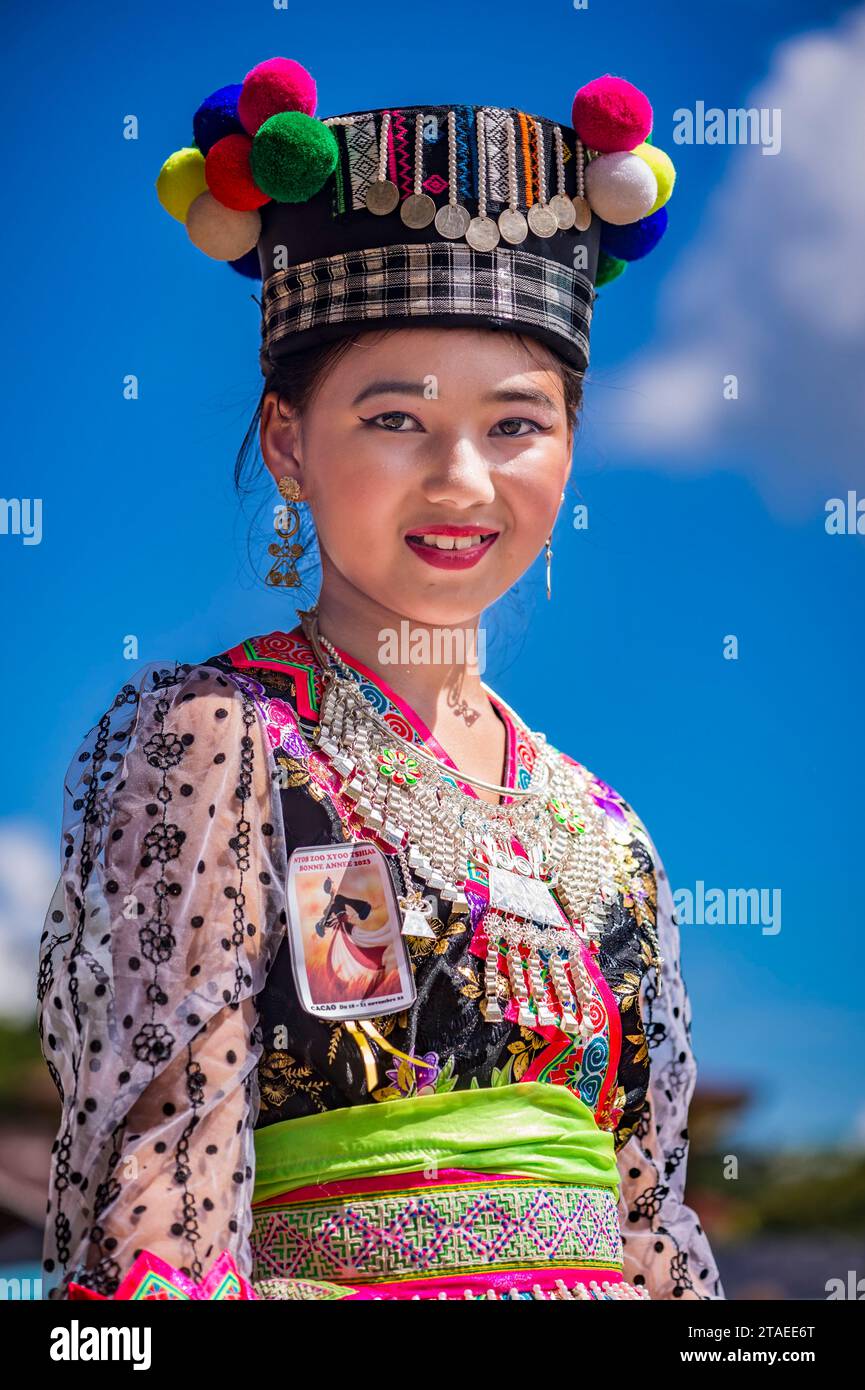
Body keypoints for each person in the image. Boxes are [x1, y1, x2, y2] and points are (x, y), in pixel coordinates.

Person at [36, 55, 723, 1301]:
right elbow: (164, 1190)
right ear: (290, 442)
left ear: (569, 448)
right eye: (395, 418)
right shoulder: (214, 744)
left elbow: (649, 1218)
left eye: (516, 422)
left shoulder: (610, 837)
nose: (462, 480)